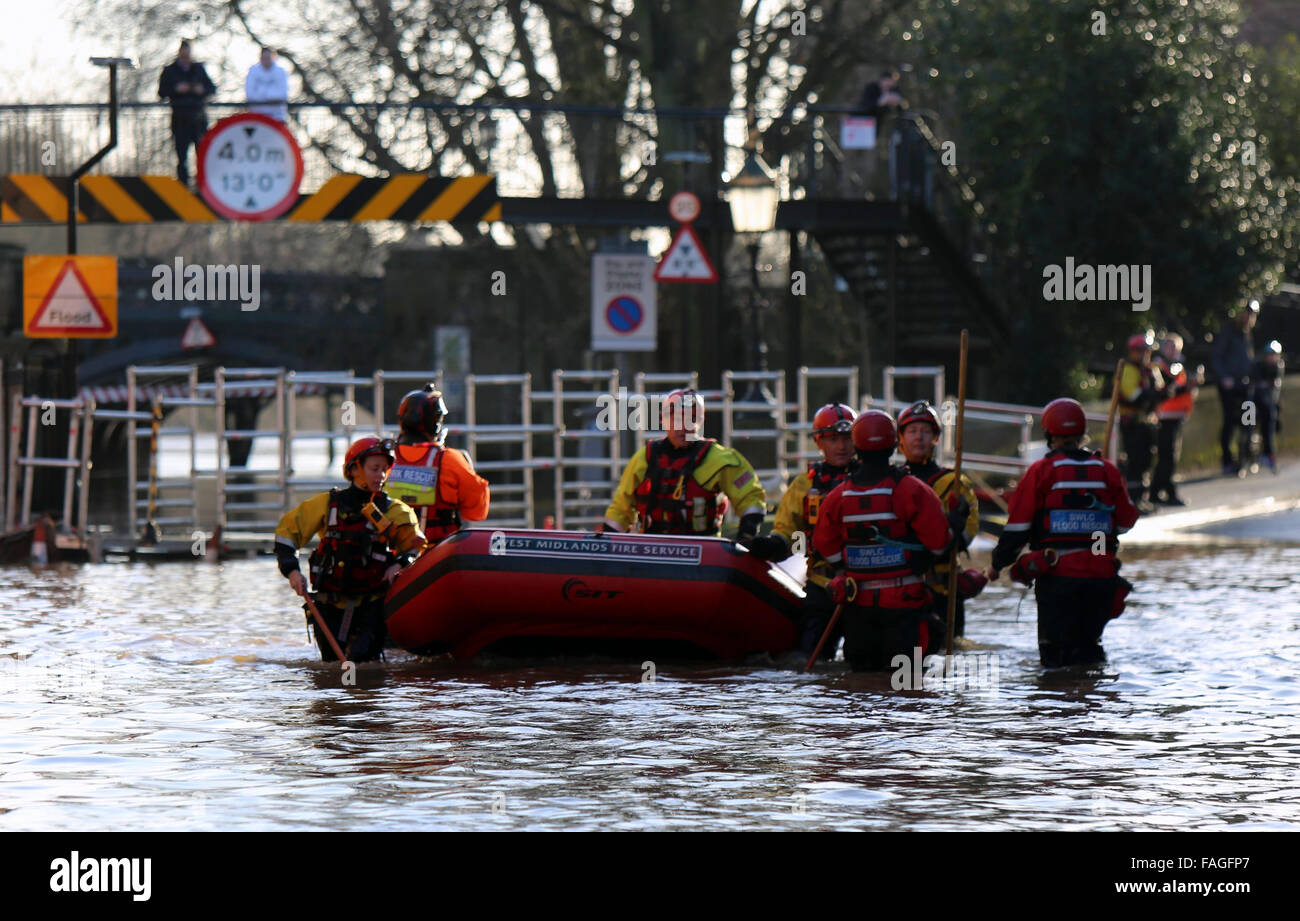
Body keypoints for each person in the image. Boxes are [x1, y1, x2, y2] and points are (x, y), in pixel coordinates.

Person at [988, 398, 1140, 668]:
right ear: (1082, 433)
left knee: (1056, 658)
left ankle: (1059, 704)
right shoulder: (1106, 470)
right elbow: (1126, 522)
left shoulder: (1042, 471)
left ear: (1048, 434)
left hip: (1058, 579)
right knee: (1089, 651)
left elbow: (1018, 529)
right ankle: (1095, 703)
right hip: (1101, 578)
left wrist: (997, 564)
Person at [812, 410, 959, 672]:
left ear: (856, 446)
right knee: (906, 690)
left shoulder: (837, 497)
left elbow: (824, 544)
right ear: (895, 445)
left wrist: (850, 567)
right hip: (904, 610)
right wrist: (955, 524)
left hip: (858, 613)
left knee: (861, 690)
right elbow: (939, 544)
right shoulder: (912, 490)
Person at [276, 436, 425, 662]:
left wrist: (398, 564)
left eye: (385, 469)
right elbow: (287, 534)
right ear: (354, 469)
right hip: (329, 604)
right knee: (332, 665)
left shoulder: (396, 511)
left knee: (365, 664)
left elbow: (415, 548)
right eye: (375, 469)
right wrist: (292, 571)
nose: (381, 475)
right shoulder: (327, 504)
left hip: (372, 604)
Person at [743, 403, 858, 658]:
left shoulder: (869, 478)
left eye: (847, 438)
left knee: (861, 659)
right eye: (833, 439)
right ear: (819, 442)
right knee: (811, 656)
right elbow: (788, 529)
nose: (841, 447)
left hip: (864, 583)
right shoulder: (805, 484)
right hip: (821, 583)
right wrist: (773, 545)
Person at [602, 389, 766, 539]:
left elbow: (750, 497)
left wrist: (747, 534)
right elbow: (620, 510)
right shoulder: (644, 458)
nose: (685, 426)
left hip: (703, 550)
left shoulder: (722, 460)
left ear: (701, 420)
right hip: (651, 549)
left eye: (692, 418)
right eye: (678, 418)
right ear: (663, 419)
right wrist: (607, 540)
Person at [895, 400, 984, 637]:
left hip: (945, 586)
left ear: (935, 439)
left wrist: (954, 529)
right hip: (905, 586)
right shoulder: (892, 481)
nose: (919, 437)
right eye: (912, 431)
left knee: (950, 649)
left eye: (925, 431)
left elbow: (970, 530)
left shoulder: (953, 483)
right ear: (900, 439)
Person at [386, 384, 490, 542]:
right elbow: (477, 512)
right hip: (437, 555)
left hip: (392, 553)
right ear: (435, 423)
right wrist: (467, 465)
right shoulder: (450, 459)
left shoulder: (385, 457)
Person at [1151, 334, 1202, 505]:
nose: (1173, 352)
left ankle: (1159, 490)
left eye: (1176, 349)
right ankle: (1163, 491)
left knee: (1170, 456)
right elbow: (1168, 388)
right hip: (1165, 416)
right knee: (1167, 456)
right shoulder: (1160, 365)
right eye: (1170, 347)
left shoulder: (1177, 366)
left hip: (1177, 415)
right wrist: (1189, 386)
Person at [1116, 331, 1164, 512]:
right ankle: (1133, 502)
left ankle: (1142, 498)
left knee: (1147, 461)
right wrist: (1152, 395)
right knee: (1135, 463)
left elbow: (1158, 392)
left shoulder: (1150, 370)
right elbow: (1134, 396)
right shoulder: (1128, 369)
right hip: (1133, 424)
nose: (1144, 354)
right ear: (1133, 351)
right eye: (1141, 351)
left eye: (1147, 351)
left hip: (1148, 423)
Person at [157, 40, 216, 186]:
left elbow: (212, 89)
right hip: (180, 119)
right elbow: (161, 93)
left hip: (199, 119)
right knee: (181, 157)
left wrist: (201, 90)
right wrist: (176, 89)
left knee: (202, 155)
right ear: (179, 53)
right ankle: (183, 187)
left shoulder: (198, 69)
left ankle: (202, 187)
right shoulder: (170, 70)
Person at [1210, 299, 1259, 475]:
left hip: (1245, 386)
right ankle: (1227, 461)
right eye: (1246, 313)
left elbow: (1249, 361)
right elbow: (1216, 357)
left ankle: (1246, 458)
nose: (1248, 317)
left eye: (1252, 315)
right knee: (1230, 422)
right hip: (1229, 387)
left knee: (1248, 422)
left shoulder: (1248, 335)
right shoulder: (1228, 333)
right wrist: (1224, 377)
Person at [1253, 340, 1285, 473]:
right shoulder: (1258, 366)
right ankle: (1248, 455)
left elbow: (1273, 386)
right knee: (1247, 425)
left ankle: (1269, 456)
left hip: (1269, 404)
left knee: (1270, 426)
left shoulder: (1278, 367)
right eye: (1269, 355)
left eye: (1274, 355)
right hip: (1253, 404)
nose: (1271, 357)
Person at [245, 47, 289, 122]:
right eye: (264, 58)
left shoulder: (281, 72)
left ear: (273, 58)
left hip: (277, 117)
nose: (266, 60)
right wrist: (272, 96)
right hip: (257, 117)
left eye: (268, 58)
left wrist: (262, 93)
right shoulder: (253, 71)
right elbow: (250, 95)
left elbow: (283, 95)